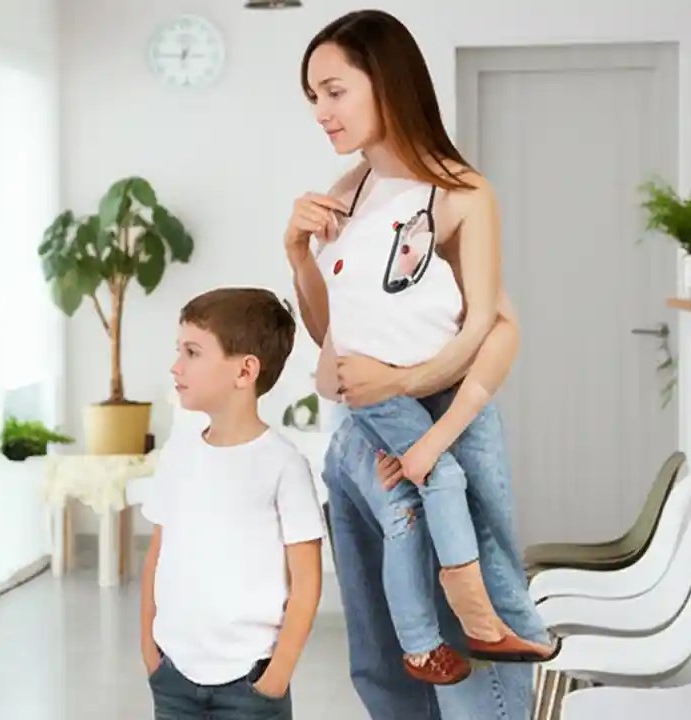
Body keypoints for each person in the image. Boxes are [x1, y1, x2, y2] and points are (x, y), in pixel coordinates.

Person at [284, 10, 555, 686]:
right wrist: (296, 253)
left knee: (474, 642)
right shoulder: (347, 191)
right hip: (357, 427)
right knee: (375, 658)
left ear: (387, 81)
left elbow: (490, 329)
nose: (321, 111)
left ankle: (482, 630)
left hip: (440, 416)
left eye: (334, 90)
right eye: (312, 96)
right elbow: (331, 333)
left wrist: (400, 384)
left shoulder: (463, 193)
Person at [140, 288, 328, 719]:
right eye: (178, 350)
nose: (176, 366)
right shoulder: (177, 455)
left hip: (250, 685)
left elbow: (306, 583)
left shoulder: (283, 466)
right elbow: (157, 557)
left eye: (192, 352)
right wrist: (150, 652)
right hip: (173, 676)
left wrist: (276, 678)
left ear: (245, 371)